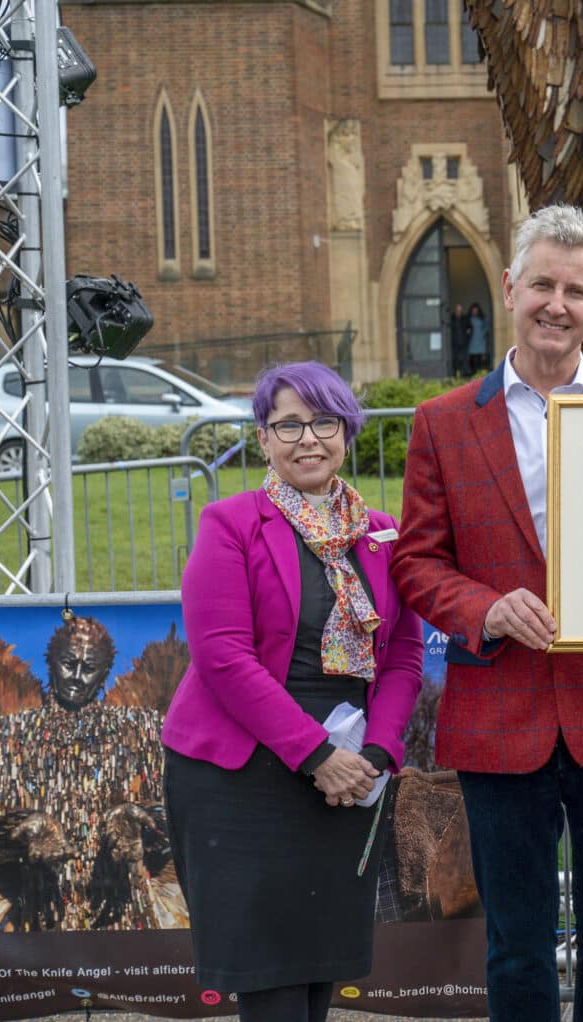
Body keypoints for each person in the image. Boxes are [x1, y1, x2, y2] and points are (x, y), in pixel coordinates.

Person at [392, 204, 583, 1022]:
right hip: (498, 718)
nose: (557, 304)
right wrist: (486, 606)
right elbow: (415, 561)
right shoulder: (442, 422)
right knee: (514, 944)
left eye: (576, 291)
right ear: (509, 287)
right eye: (542, 284)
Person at [162, 361, 424, 1022]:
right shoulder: (230, 523)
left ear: (348, 432)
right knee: (271, 983)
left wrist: (380, 756)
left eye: (324, 422)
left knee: (319, 979)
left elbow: (404, 655)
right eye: (289, 424)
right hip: (244, 780)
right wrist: (315, 755)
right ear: (263, 439)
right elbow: (223, 656)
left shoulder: (384, 534)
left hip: (347, 780)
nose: (308, 439)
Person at [0, 615, 173, 931]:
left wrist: (134, 820)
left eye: (88, 668)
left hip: (126, 919)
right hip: (41, 920)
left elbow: (178, 822)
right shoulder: (3, 737)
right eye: (68, 663)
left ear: (104, 674)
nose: (75, 677)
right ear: (50, 663)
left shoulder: (141, 732)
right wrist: (27, 828)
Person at [467, 301, 491, 374]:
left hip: (480, 340)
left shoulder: (482, 318)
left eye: (476, 311)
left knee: (480, 357)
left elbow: (487, 327)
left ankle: (480, 372)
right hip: (472, 340)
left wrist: (483, 333)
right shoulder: (469, 319)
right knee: (472, 357)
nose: (475, 312)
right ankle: (473, 372)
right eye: (473, 311)